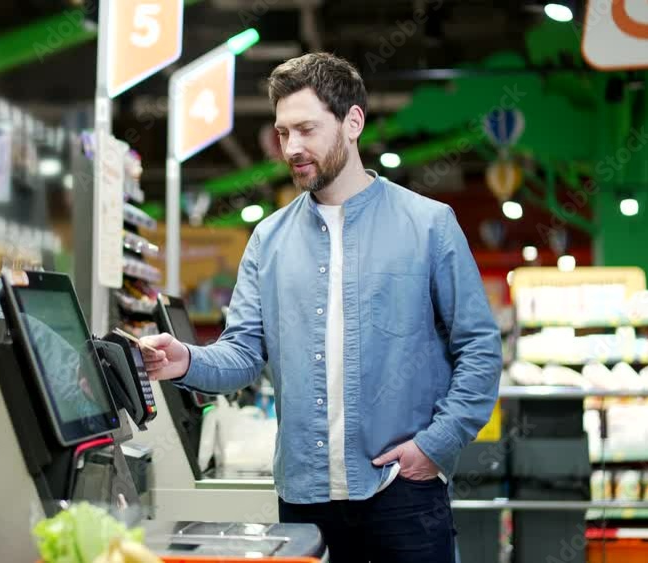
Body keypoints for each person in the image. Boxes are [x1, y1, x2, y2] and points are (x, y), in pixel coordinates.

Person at [140, 53, 502, 562]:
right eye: (283, 133)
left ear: (352, 122)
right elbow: (244, 354)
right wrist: (186, 359)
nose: (292, 148)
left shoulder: (428, 226)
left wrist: (435, 447)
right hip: (304, 499)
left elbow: (480, 349)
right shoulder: (268, 240)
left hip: (401, 489)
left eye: (306, 129)